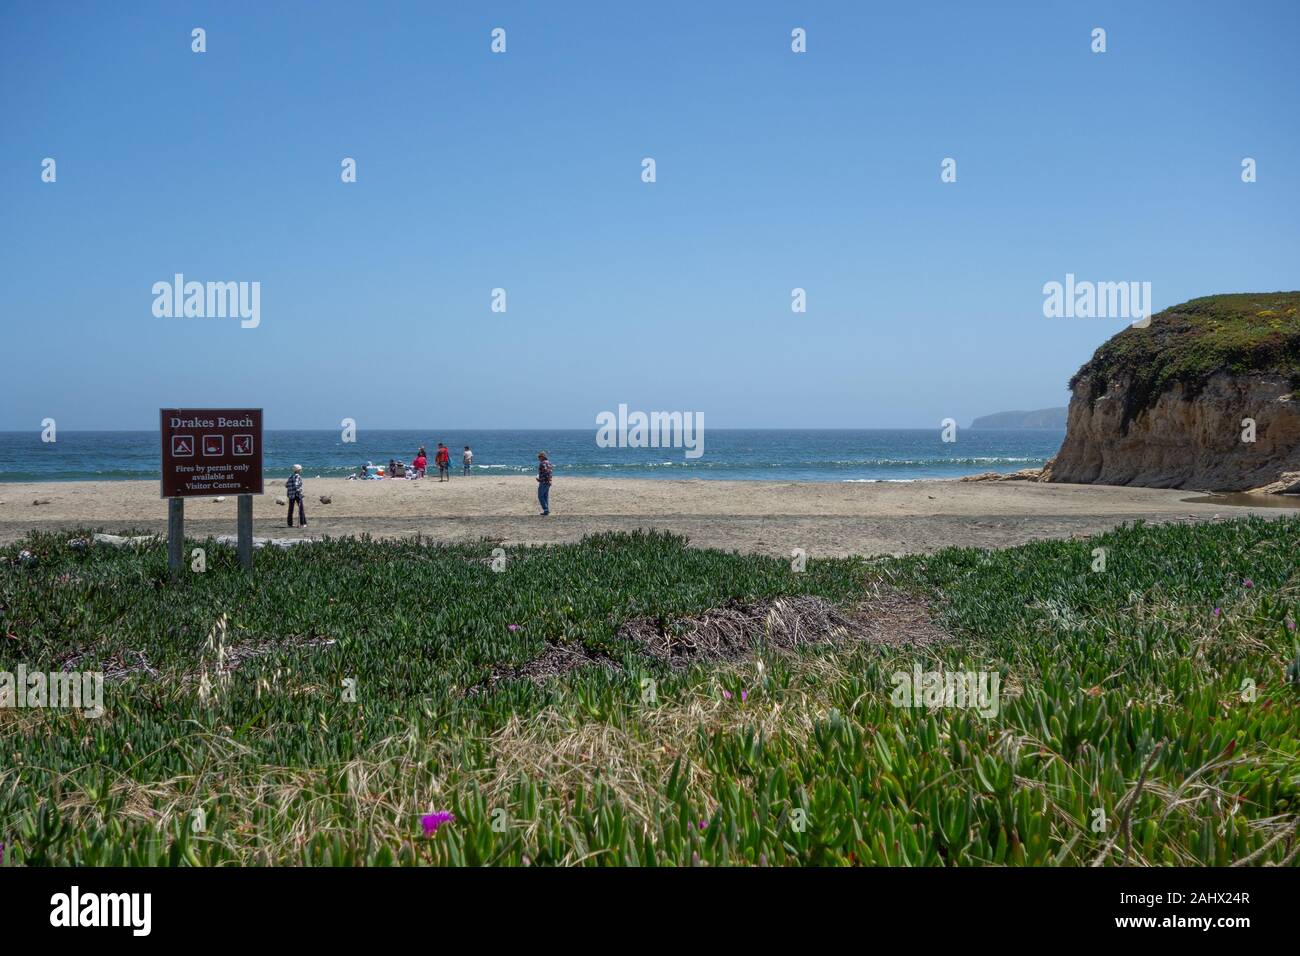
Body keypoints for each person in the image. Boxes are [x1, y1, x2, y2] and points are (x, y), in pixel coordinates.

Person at [536, 451, 552, 516]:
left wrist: (539, 479)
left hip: (543, 482)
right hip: (548, 482)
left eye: (539, 457)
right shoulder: (549, 463)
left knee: (540, 496)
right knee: (545, 496)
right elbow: (549, 472)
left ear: (542, 457)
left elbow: (546, 472)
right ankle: (546, 510)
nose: (538, 459)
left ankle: (546, 509)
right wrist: (550, 480)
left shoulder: (542, 463)